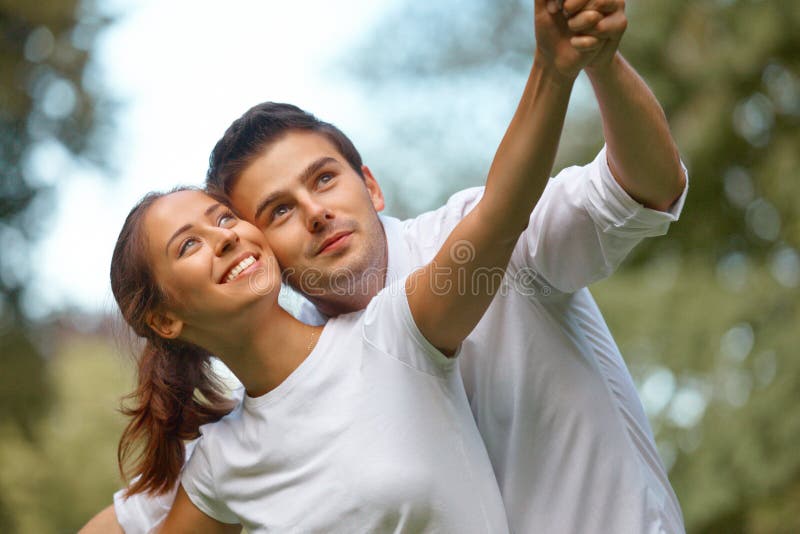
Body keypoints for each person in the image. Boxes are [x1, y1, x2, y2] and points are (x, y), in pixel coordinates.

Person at [84, 0, 688, 532]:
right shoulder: (275, 392)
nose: (317, 213)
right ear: (260, 245)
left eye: (324, 179)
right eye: (279, 210)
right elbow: (156, 507)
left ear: (370, 185)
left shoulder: (466, 252)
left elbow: (645, 186)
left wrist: (590, 62)